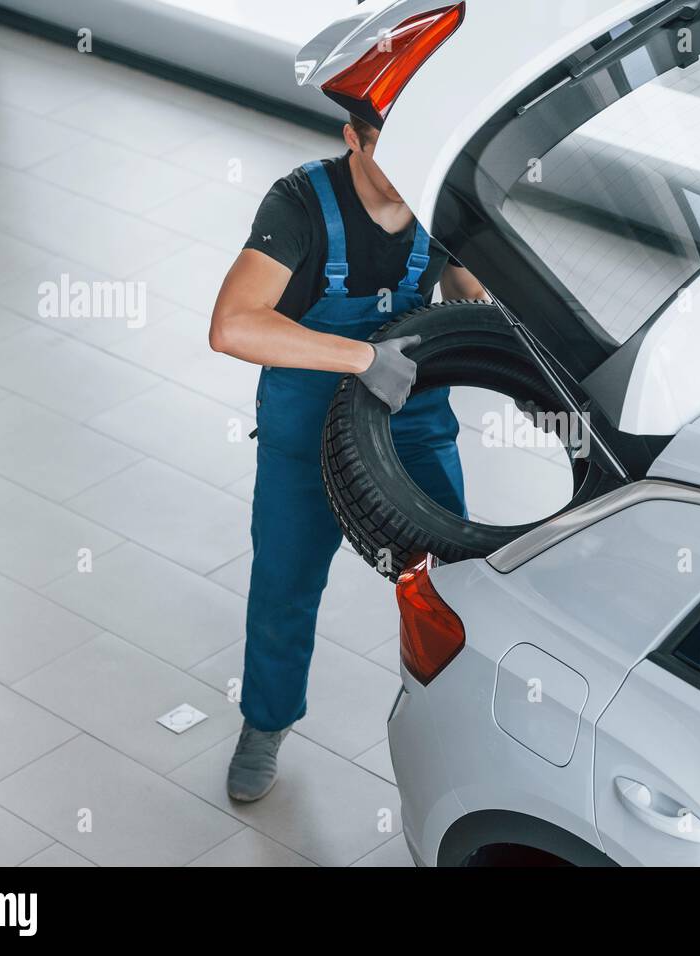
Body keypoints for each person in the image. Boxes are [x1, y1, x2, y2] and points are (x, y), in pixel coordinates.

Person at [209, 113, 487, 801]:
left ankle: (455, 724)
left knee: (450, 582)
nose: (411, 167)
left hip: (413, 425)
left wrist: (484, 312)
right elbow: (232, 324)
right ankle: (265, 723)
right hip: (308, 434)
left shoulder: (440, 194)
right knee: (285, 584)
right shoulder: (299, 204)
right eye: (391, 148)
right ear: (352, 137)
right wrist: (362, 357)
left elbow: (466, 293)